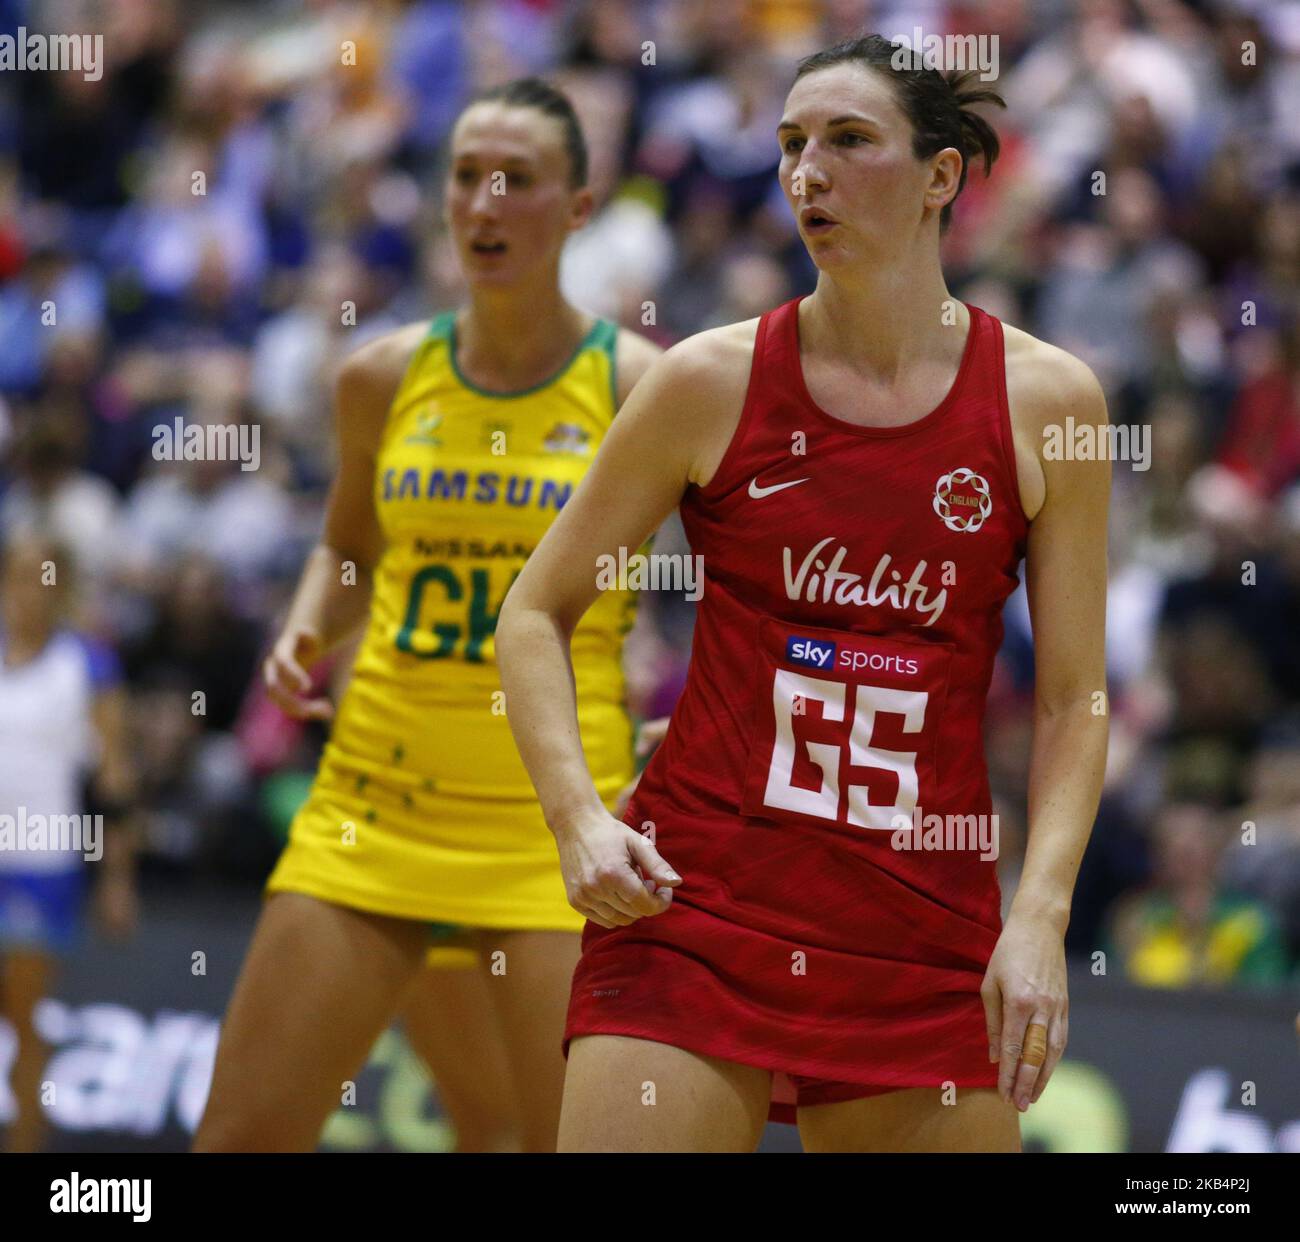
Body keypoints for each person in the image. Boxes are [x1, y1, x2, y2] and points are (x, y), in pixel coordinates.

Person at [495, 35, 1111, 1153]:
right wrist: (578, 819)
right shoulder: (705, 380)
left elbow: (1076, 702)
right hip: (695, 908)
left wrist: (1040, 916)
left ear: (940, 178)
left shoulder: (1047, 403)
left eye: (846, 140)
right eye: (788, 145)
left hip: (923, 930)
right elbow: (534, 613)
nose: (804, 172)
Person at [194, 78, 661, 1153]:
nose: (485, 203)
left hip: (555, 825)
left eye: (518, 180)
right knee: (236, 1141)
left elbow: (729, 584)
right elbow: (350, 548)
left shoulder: (639, 385)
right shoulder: (379, 375)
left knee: (532, 1140)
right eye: (464, 177)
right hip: (374, 798)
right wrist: (309, 623)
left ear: (579, 208)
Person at [0, 530, 137, 1152]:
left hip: (42, 862)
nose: (27, 590)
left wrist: (116, 879)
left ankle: (26, 1146)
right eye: (18, 574)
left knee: (22, 1018)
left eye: (41, 576)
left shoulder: (87, 663)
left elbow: (115, 779)